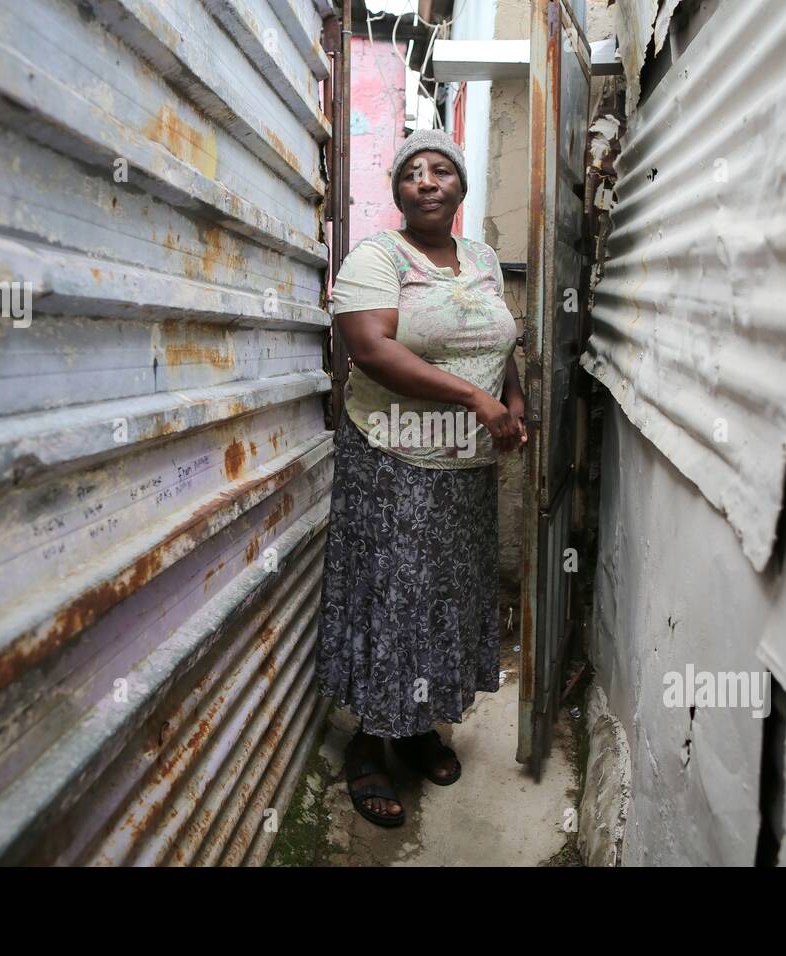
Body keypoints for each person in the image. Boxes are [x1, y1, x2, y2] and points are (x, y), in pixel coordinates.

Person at [315, 128, 527, 827]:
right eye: (414, 173)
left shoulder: (484, 258)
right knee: (393, 597)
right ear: (399, 191)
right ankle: (368, 745)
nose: (428, 182)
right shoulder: (376, 257)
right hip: (392, 460)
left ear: (462, 188)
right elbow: (370, 350)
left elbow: (501, 341)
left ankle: (417, 728)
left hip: (464, 469)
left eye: (443, 171)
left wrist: (513, 399)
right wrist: (474, 399)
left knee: (445, 596)